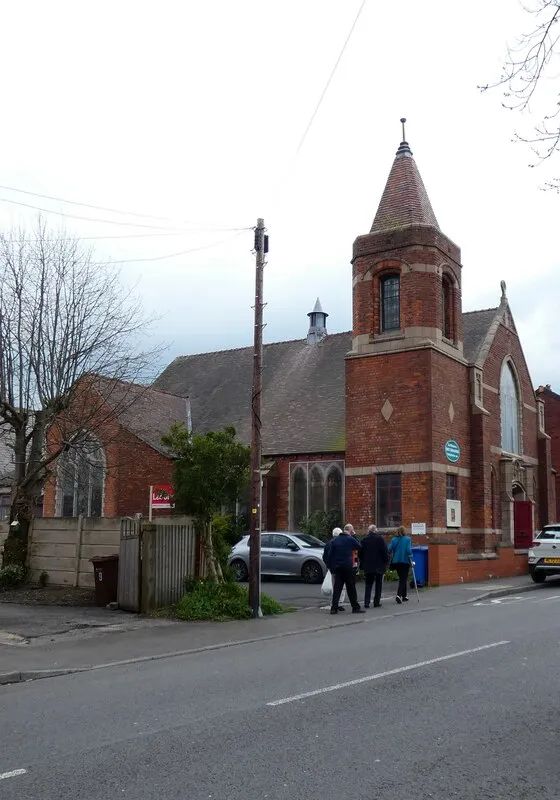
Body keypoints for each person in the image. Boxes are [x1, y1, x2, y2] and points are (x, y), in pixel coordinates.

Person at [323, 523, 363, 615]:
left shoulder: (335, 540)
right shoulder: (350, 539)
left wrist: (330, 566)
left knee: (337, 588)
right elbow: (359, 546)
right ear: (350, 530)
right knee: (351, 588)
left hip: (337, 567)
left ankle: (334, 608)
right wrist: (354, 535)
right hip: (348, 567)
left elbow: (330, 555)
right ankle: (355, 607)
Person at [360, 524, 389, 608]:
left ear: (369, 531)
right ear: (375, 530)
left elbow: (360, 553)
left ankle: (366, 602)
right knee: (378, 584)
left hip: (368, 566)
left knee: (368, 584)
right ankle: (376, 602)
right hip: (379, 565)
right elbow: (384, 552)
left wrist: (363, 561)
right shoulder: (380, 539)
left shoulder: (364, 540)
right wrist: (386, 562)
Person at [322, 527, 346, 611]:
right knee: (341, 586)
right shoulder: (341, 542)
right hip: (340, 567)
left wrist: (328, 565)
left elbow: (325, 556)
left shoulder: (328, 543)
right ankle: (338, 603)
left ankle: (334, 602)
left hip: (332, 567)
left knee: (334, 585)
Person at [388, 525, 412, 604]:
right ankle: (399, 595)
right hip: (405, 561)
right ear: (404, 531)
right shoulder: (408, 539)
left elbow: (389, 549)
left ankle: (404, 596)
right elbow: (408, 550)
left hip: (396, 562)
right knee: (403, 578)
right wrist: (411, 557)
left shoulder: (394, 539)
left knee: (402, 577)